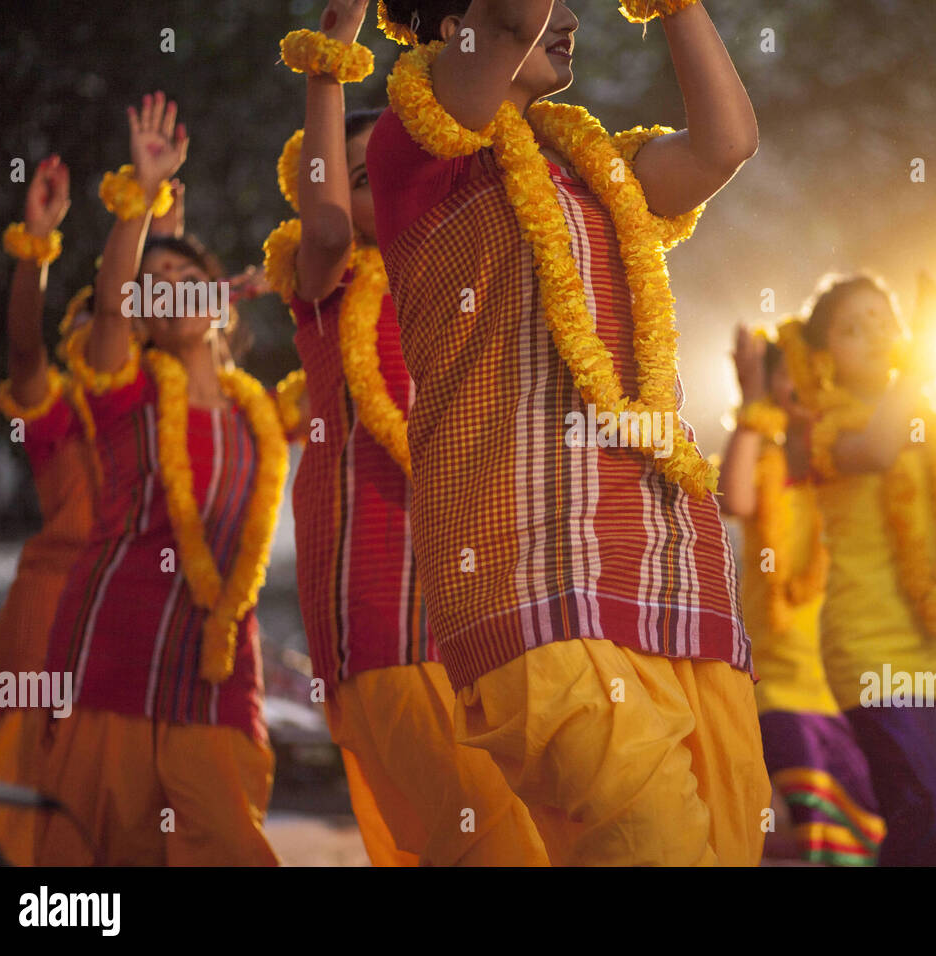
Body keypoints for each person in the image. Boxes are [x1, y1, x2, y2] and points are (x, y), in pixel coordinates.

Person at [366, 0, 769, 864]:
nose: (569, 16)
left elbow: (725, 144)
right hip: (529, 569)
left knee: (726, 847)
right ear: (452, 28)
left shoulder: (596, 171)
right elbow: (511, 23)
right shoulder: (414, 153)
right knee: (659, 848)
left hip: (667, 571)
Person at [269, 0, 546, 865]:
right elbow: (321, 218)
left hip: (484, 610)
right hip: (385, 609)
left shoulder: (456, 279)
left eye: (378, 170)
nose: (374, 188)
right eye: (357, 177)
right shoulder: (333, 282)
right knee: (481, 844)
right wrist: (331, 64)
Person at [34, 93, 288, 866]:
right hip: (118, 648)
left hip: (217, 667)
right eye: (155, 278)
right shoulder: (124, 391)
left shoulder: (262, 413)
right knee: (97, 859)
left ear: (217, 300)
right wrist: (141, 197)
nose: (168, 283)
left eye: (186, 273)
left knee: (229, 847)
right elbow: (110, 298)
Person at [783, 272, 936, 866]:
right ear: (826, 356)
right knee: (923, 801)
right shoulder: (818, 425)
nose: (875, 334)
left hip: (931, 641)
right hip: (867, 639)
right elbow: (878, 449)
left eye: (884, 320)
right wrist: (918, 361)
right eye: (854, 329)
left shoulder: (923, 415)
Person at [0, 156, 97, 866]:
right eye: (90, 321)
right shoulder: (62, 416)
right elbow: (23, 349)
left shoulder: (171, 417)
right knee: (16, 820)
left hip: (135, 630)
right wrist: (37, 246)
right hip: (47, 622)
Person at [719, 327, 885, 865]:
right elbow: (733, 495)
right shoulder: (763, 460)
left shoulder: (841, 462)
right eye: (785, 373)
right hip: (780, 681)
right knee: (819, 825)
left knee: (860, 834)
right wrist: (748, 405)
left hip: (843, 679)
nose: (800, 385)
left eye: (808, 373)